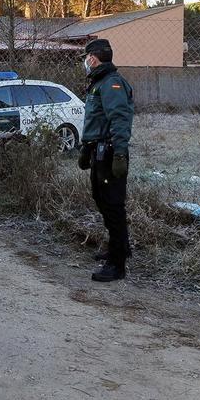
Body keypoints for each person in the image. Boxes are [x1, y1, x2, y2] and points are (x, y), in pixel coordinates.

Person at [77, 39, 134, 282]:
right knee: (102, 201)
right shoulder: (99, 83)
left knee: (113, 206)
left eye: (86, 57)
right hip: (98, 151)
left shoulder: (111, 84)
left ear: (93, 58)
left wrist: (119, 154)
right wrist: (86, 147)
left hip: (110, 153)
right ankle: (119, 247)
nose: (85, 62)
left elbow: (119, 119)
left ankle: (117, 265)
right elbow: (96, 121)